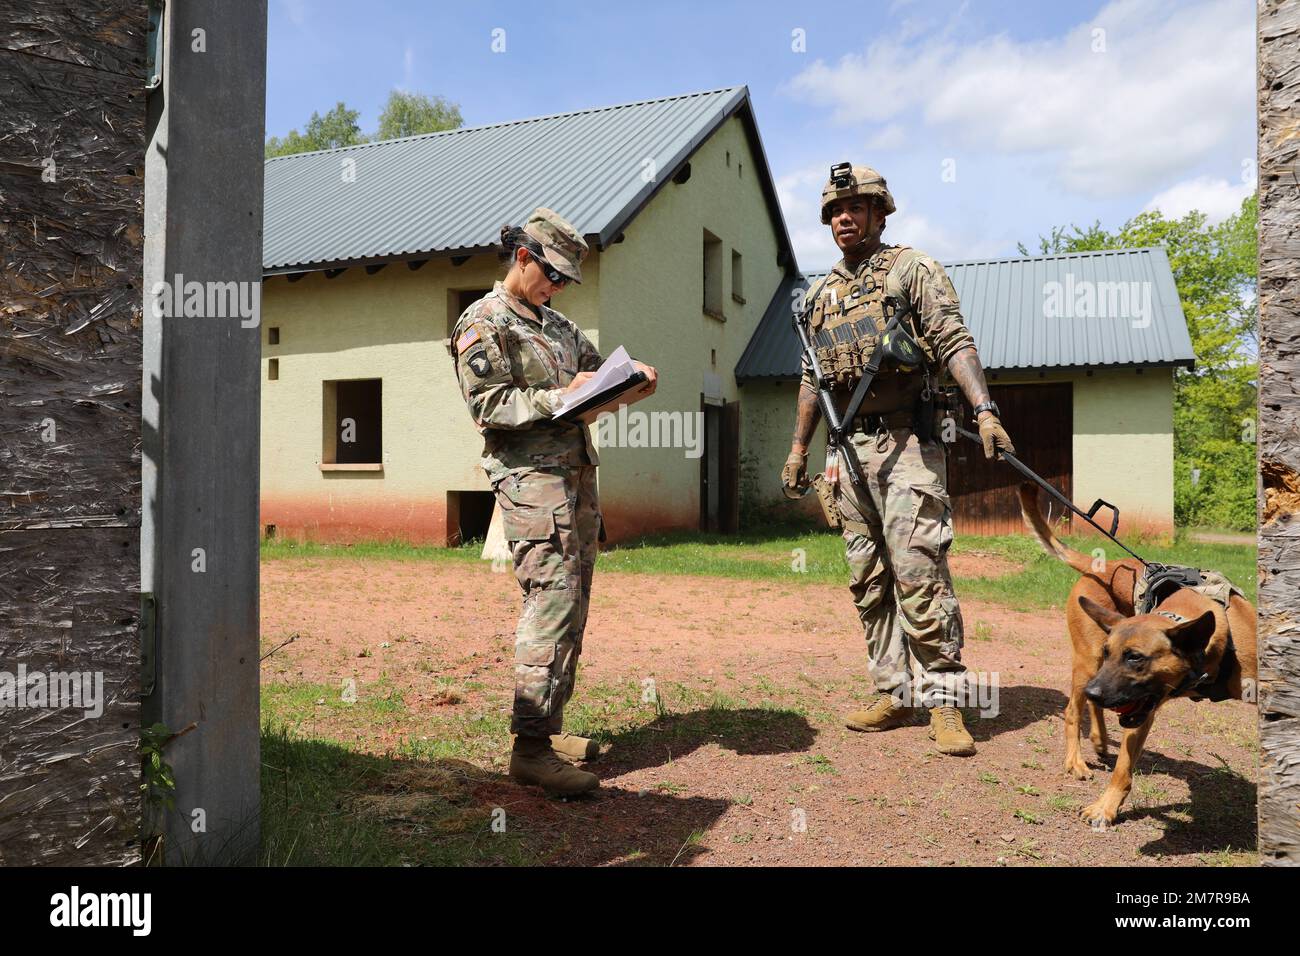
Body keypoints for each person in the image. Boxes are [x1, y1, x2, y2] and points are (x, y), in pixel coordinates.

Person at [782, 164, 1014, 756]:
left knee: (918, 571)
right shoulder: (818, 294)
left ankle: (943, 701)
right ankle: (891, 691)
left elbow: (954, 340)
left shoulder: (913, 269)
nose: (843, 218)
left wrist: (984, 409)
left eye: (856, 208)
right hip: (845, 452)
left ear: (880, 213)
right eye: (835, 211)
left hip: (907, 445)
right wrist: (797, 449)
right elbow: (812, 377)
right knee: (868, 577)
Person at [451, 207, 657, 794]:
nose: (558, 288)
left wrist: (632, 381)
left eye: (566, 281)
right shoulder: (482, 322)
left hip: (575, 478)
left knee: (575, 602)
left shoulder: (560, 328)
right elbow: (488, 406)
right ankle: (531, 750)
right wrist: (555, 398)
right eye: (554, 275)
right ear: (523, 258)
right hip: (530, 478)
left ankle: (548, 725)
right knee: (552, 600)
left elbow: (595, 378)